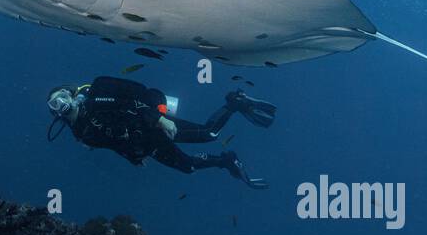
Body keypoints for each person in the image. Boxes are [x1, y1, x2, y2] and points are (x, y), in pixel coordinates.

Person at [46, 76, 275, 189]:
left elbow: (131, 99)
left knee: (209, 134)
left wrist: (159, 119)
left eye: (63, 96)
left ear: (72, 93)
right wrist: (133, 157)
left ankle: (235, 102)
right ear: (54, 114)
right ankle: (226, 161)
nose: (62, 103)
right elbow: (111, 144)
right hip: (144, 145)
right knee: (189, 167)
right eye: (55, 104)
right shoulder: (80, 133)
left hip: (152, 125)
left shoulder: (96, 99)